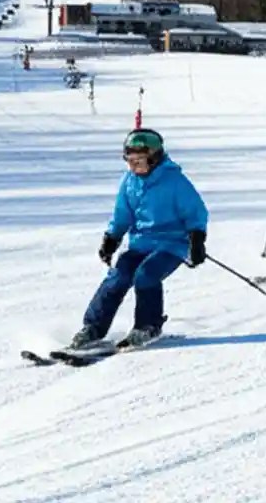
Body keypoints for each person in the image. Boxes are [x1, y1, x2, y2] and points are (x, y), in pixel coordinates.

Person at [70, 129, 209, 349]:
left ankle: (148, 325)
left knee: (146, 274)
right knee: (118, 276)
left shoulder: (174, 181)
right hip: (141, 243)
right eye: (129, 161)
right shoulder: (129, 181)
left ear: (154, 159)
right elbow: (122, 213)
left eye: (139, 161)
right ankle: (93, 328)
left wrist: (197, 239)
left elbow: (196, 212)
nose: (134, 166)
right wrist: (111, 238)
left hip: (171, 244)